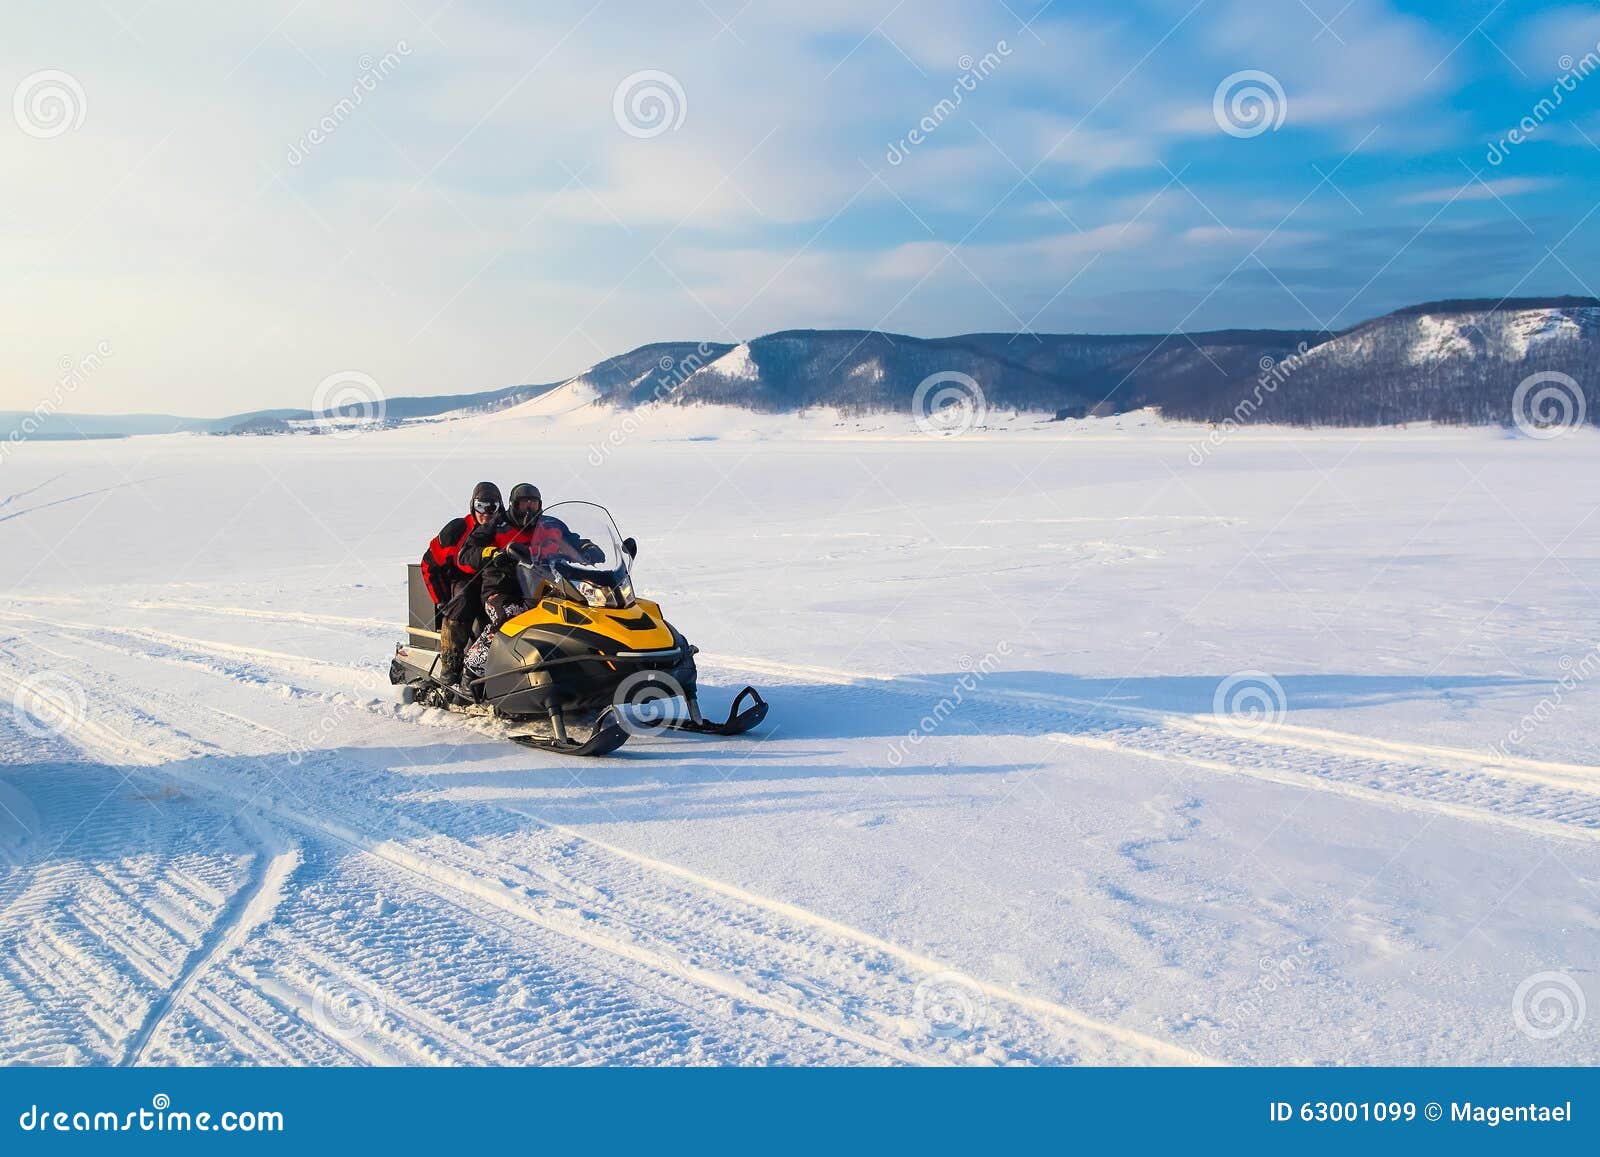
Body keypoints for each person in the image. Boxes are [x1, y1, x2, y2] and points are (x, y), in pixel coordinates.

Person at [420, 481, 502, 618]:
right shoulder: (456, 531)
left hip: (499, 584)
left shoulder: (506, 529)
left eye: (492, 507)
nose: (486, 514)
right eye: (480, 506)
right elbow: (429, 563)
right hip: (464, 583)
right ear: (472, 506)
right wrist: (441, 601)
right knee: (464, 597)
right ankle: (452, 634)